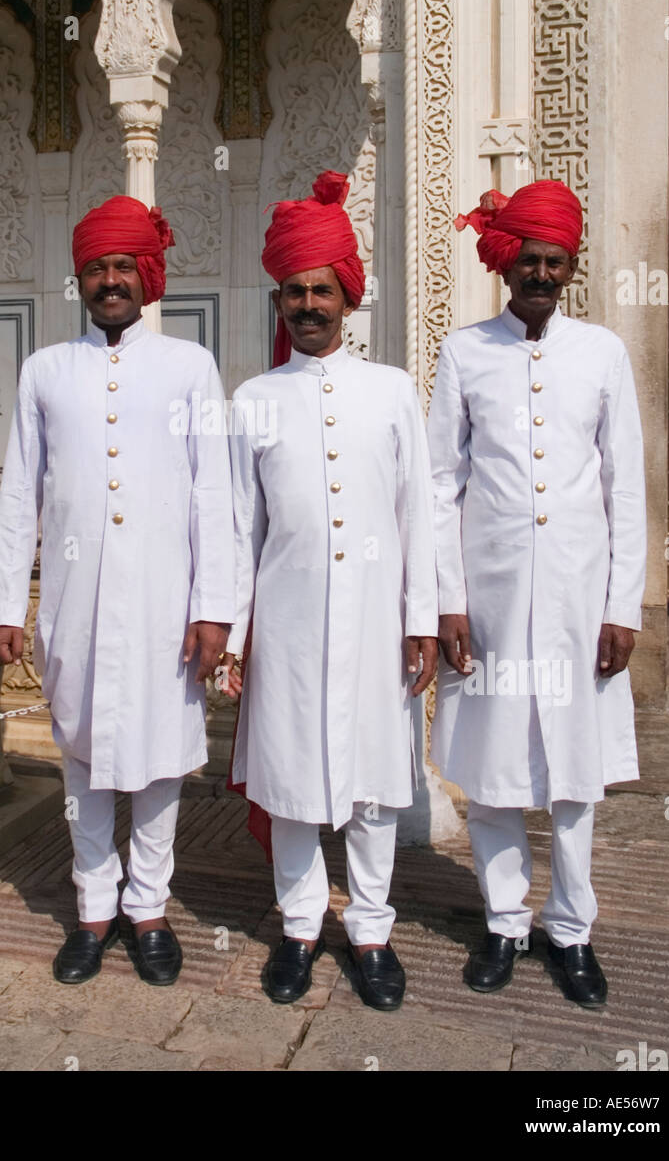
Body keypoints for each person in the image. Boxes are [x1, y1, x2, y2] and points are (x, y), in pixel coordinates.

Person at [0, 196, 235, 988]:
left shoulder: (191, 366)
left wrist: (214, 608)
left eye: (123, 265)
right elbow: (19, 492)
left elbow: (215, 494)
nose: (111, 280)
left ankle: (150, 909)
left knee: (161, 763)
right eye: (97, 268)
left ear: (146, 275)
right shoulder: (44, 372)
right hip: (75, 604)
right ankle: (94, 910)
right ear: (80, 279)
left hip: (168, 603)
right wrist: (3, 606)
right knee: (83, 759)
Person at [219, 171, 438, 1011]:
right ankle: (303, 926)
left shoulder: (391, 392)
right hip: (287, 626)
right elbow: (242, 531)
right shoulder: (253, 400)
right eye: (293, 292)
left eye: (322, 289)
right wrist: (234, 642)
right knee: (292, 782)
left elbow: (421, 514)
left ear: (348, 296)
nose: (307, 304)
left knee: (378, 782)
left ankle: (374, 931)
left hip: (381, 623)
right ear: (278, 301)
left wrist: (421, 619)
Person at [427, 180, 646, 1009]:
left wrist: (622, 605)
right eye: (529, 258)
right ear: (503, 260)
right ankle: (504, 922)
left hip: (578, 604)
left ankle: (572, 932)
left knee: (574, 775)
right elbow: (441, 483)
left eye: (555, 260)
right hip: (487, 602)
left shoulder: (602, 355)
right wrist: (447, 601)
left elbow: (626, 487)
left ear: (571, 267)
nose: (541, 273)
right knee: (492, 771)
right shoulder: (464, 352)